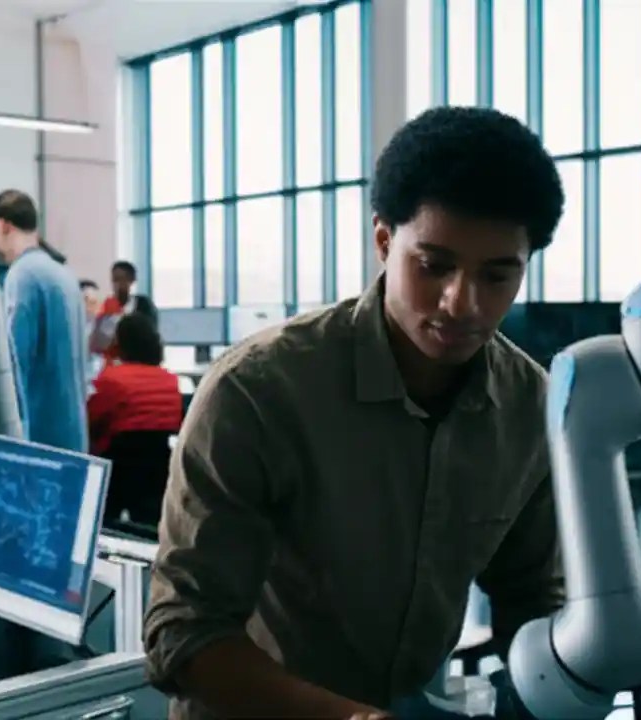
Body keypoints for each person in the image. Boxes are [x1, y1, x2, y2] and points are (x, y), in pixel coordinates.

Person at [143, 106, 567, 719]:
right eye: (434, 266)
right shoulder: (259, 392)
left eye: (498, 275)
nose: (461, 302)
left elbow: (531, 599)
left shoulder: (531, 406)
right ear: (384, 242)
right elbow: (182, 636)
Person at [0, 189, 88, 452]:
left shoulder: (22, 275)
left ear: (2, 225)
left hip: (39, 441)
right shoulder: (64, 274)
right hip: (73, 438)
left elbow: (14, 364)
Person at [88, 313, 183, 525]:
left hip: (118, 467)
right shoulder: (170, 380)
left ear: (120, 343)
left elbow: (92, 422)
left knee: (103, 524)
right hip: (158, 466)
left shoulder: (112, 379)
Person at [90, 261, 158, 357]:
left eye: (122, 279)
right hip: (111, 360)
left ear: (132, 280)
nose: (118, 284)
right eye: (115, 280)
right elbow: (97, 341)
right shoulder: (105, 307)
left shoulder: (143, 305)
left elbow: (149, 334)